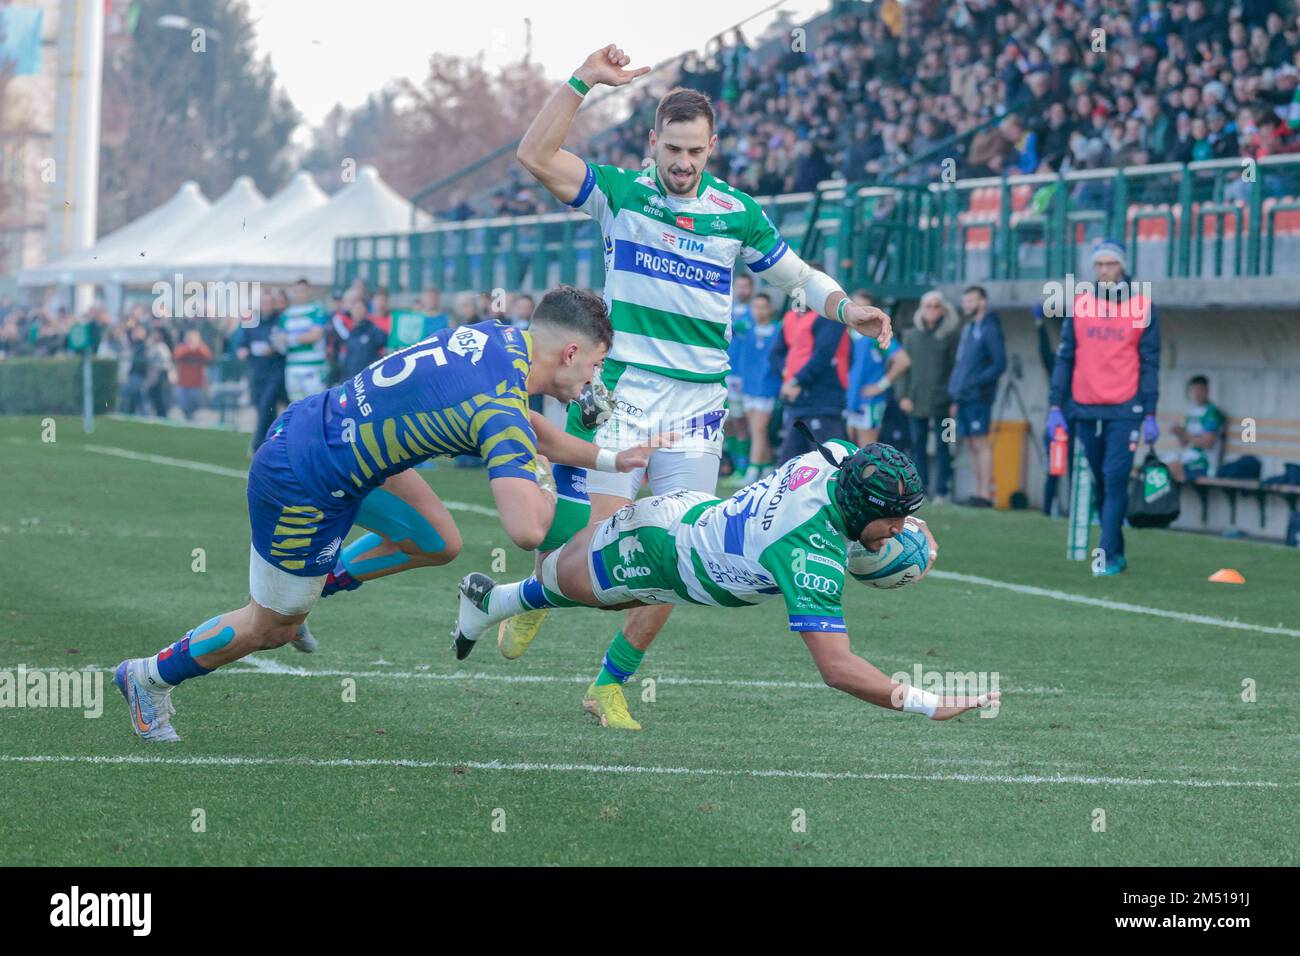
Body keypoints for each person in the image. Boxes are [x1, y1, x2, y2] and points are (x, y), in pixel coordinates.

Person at [508, 43, 893, 728]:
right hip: (621, 400)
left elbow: (798, 278)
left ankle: (608, 683)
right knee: (598, 564)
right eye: (673, 150)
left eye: (697, 152)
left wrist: (847, 309)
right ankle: (524, 596)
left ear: (713, 148)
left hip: (697, 411)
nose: (684, 164)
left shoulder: (737, 214)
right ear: (652, 142)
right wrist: (582, 82)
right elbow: (534, 157)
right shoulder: (622, 196)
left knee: (673, 563)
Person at [112, 287, 663, 742]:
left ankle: (312, 588)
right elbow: (527, 531)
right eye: (595, 366)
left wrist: (611, 459)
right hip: (302, 481)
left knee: (437, 540)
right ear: (569, 354)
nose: (594, 381)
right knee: (269, 626)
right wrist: (548, 484)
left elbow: (523, 423)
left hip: (334, 437)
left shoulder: (500, 340)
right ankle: (151, 676)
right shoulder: (497, 405)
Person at [454, 439, 998, 727]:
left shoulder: (836, 459)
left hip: (692, 525)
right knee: (557, 568)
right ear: (858, 507)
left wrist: (882, 532)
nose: (899, 531)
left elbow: (855, 471)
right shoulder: (808, 553)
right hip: (657, 549)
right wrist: (928, 703)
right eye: (894, 521)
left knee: (591, 593)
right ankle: (517, 537)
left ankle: (495, 601)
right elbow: (837, 668)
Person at [1047, 239, 1161, 576]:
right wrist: (1055, 404)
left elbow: (1150, 361)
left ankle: (1106, 556)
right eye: (1098, 265)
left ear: (1122, 267)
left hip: (1126, 408)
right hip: (1085, 406)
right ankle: (1117, 550)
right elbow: (1066, 356)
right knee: (1100, 480)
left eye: (1110, 264)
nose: (1103, 270)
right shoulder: (1081, 304)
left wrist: (1151, 410)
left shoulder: (1142, 305)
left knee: (1115, 479)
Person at [898, 290, 961, 502]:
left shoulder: (951, 334)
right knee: (918, 445)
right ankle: (920, 490)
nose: (932, 310)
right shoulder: (911, 336)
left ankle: (943, 490)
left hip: (943, 401)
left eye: (936, 306)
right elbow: (903, 369)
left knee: (945, 445)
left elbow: (956, 368)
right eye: (928, 306)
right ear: (921, 309)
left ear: (942, 309)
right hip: (916, 401)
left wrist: (954, 399)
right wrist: (903, 396)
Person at [947, 285, 1006, 507]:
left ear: (982, 302)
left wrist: (974, 383)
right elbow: (962, 364)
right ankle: (978, 491)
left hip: (978, 397)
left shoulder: (990, 328)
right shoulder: (969, 328)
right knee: (972, 443)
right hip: (963, 396)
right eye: (965, 301)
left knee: (981, 442)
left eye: (971, 301)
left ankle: (985, 493)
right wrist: (956, 392)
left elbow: (999, 364)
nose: (967, 305)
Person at [845, 290, 911, 447]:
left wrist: (880, 386)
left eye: (864, 308)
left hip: (869, 400)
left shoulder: (876, 333)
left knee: (867, 450)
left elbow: (903, 360)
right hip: (850, 397)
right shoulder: (846, 332)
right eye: (856, 306)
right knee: (850, 449)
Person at [733, 291, 782, 483]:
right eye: (755, 307)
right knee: (756, 429)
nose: (759, 311)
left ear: (770, 309)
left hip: (768, 386)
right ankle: (769, 467)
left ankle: (752, 472)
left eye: (763, 307)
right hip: (749, 386)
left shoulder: (778, 330)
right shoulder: (746, 328)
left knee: (759, 429)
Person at [232, 291, 289, 453]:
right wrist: (243, 351)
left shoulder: (280, 320)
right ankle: (269, 444)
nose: (267, 306)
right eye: (264, 303)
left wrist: (273, 348)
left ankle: (257, 445)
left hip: (275, 371)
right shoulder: (252, 322)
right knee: (263, 409)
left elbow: (285, 344)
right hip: (257, 372)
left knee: (266, 406)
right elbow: (241, 344)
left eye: (270, 302)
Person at [277, 279, 330, 402]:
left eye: (303, 290)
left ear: (309, 291)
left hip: (313, 367)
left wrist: (291, 338)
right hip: (293, 366)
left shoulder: (317, 309)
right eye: (297, 291)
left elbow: (315, 335)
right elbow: (281, 338)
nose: (300, 293)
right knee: (295, 404)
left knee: (315, 404)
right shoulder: (287, 314)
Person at [1164, 374, 1224, 482]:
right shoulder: (1192, 412)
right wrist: (1179, 433)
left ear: (1207, 391)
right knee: (1158, 464)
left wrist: (1185, 434)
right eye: (1194, 390)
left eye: (1200, 390)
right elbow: (1183, 444)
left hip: (1206, 461)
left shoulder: (1212, 413)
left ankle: (1171, 498)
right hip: (1190, 456)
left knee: (1172, 467)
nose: (1197, 394)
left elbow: (1208, 443)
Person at [172, 328, 212, 421]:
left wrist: (197, 347)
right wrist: (189, 349)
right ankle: (188, 417)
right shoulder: (181, 347)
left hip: (197, 384)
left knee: (197, 403)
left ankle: (193, 418)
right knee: (183, 403)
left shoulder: (201, 348)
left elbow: (208, 356)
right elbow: (177, 355)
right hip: (183, 383)